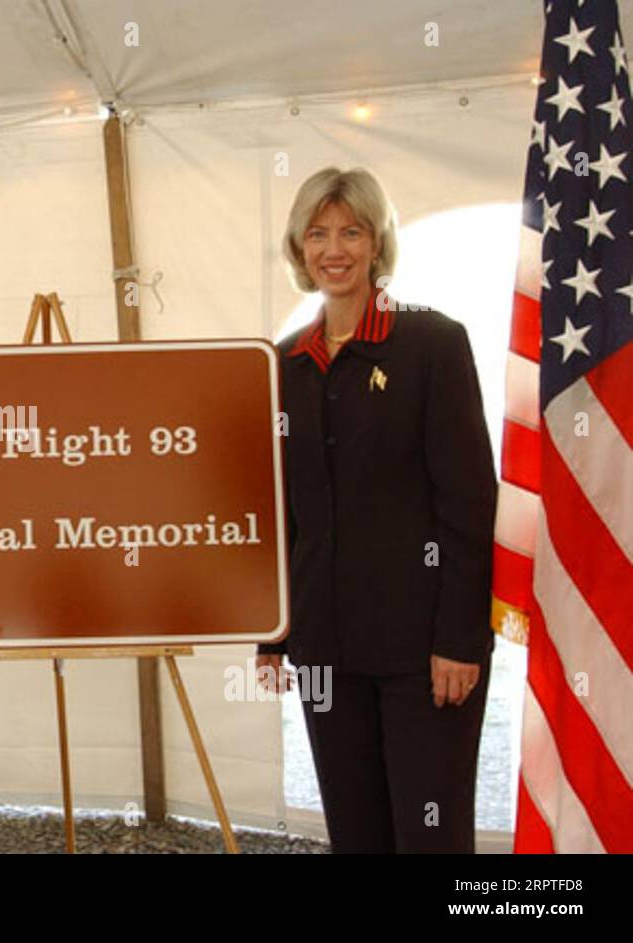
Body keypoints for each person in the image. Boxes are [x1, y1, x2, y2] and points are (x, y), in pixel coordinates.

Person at [257, 167, 496, 853]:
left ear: (376, 242)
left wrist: (458, 638)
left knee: (429, 834)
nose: (334, 249)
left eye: (351, 232)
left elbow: (469, 501)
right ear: (299, 248)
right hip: (326, 644)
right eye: (318, 233)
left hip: (422, 649)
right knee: (355, 832)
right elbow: (280, 507)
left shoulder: (432, 343)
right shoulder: (280, 364)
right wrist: (272, 634)